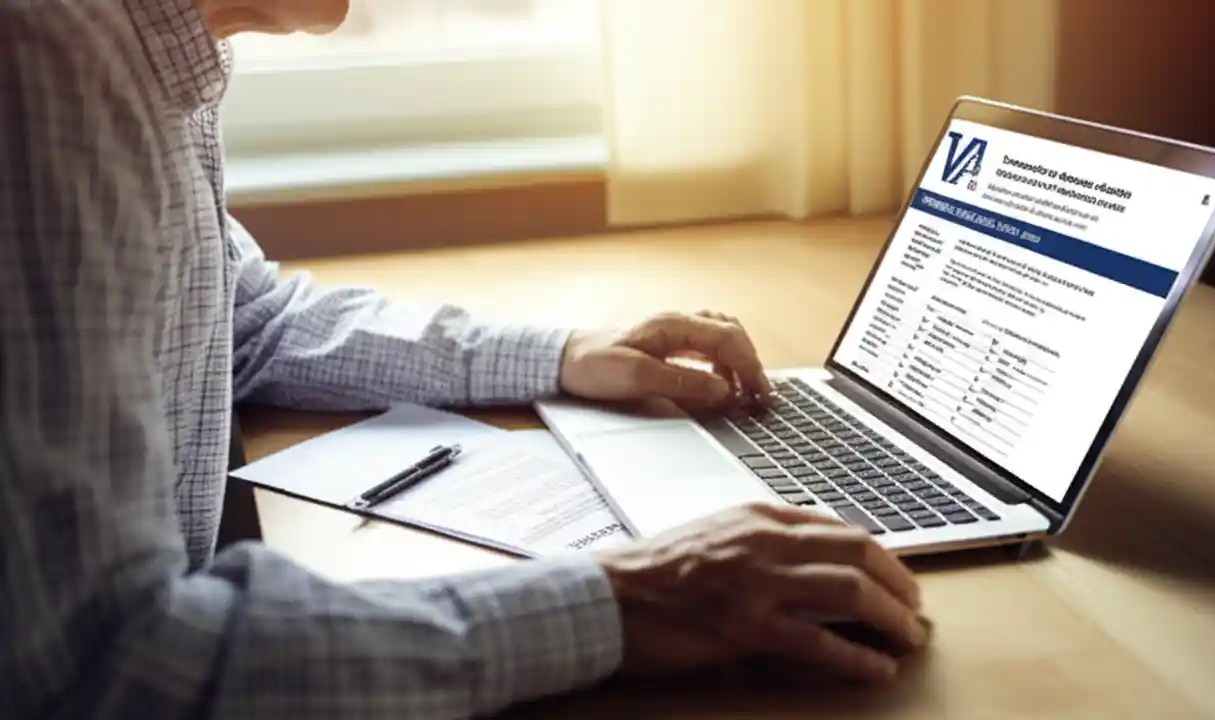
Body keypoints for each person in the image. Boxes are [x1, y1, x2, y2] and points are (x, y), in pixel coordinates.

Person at [0, 1, 928, 717]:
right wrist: (630, 602)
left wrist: (566, 352)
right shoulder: (51, 61)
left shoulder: (147, 53)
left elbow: (249, 320)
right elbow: (105, 664)